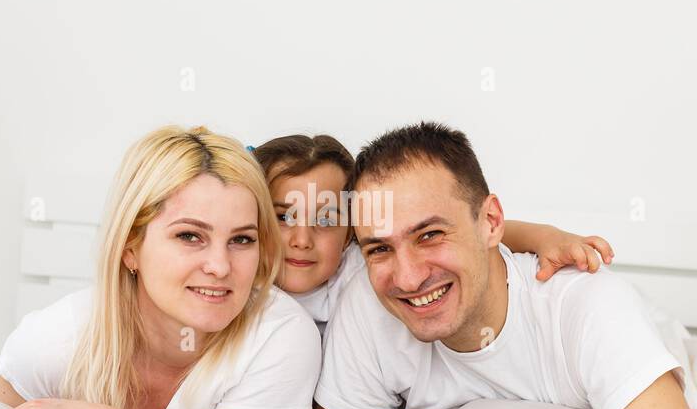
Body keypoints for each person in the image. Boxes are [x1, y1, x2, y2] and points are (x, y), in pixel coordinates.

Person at [309, 121, 697, 409]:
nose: (408, 278)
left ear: (491, 222)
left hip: (670, 352)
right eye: (380, 248)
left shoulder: (589, 307)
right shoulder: (369, 300)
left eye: (430, 235)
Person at [0, 125, 323, 409]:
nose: (220, 267)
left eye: (241, 239)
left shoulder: (279, 337)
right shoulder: (56, 338)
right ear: (131, 247)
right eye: (190, 236)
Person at [250, 133, 615, 338]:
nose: (300, 239)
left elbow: (469, 232)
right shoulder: (235, 281)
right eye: (283, 217)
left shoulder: (363, 274)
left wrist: (542, 236)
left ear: (351, 234)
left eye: (326, 220)